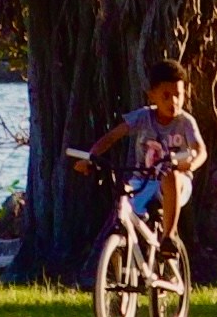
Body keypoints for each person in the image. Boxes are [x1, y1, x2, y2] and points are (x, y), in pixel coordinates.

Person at [84, 57, 209, 240]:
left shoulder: (185, 122)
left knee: (170, 175)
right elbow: (110, 138)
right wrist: (90, 158)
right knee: (122, 201)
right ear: (152, 95)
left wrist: (190, 165)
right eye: (166, 95)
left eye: (178, 95)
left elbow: (200, 150)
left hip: (177, 183)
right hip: (142, 181)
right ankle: (121, 252)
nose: (173, 101)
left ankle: (169, 236)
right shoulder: (143, 117)